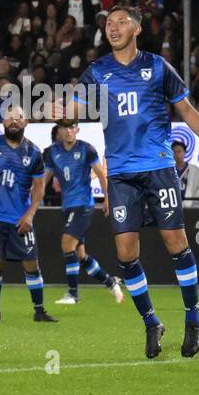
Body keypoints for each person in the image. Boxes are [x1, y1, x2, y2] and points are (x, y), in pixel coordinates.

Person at [71, 4, 199, 359]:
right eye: (108, 23)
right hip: (121, 173)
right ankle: (151, 321)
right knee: (125, 254)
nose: (113, 28)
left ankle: (194, 318)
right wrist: (56, 107)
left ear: (137, 29)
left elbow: (186, 110)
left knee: (176, 243)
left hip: (158, 167)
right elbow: (76, 108)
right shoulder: (97, 72)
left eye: (121, 22)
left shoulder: (157, 67)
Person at [0, 107, 56, 323]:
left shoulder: (33, 152)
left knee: (31, 263)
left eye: (19, 118)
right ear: (3, 122)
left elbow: (39, 187)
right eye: (9, 118)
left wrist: (30, 214)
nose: (14, 121)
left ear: (26, 122)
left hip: (20, 217)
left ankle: (39, 310)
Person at [42, 122, 125, 305]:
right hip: (68, 207)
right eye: (66, 128)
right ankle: (111, 283)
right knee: (80, 255)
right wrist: (33, 200)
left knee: (66, 244)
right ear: (60, 131)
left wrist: (108, 199)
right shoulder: (51, 153)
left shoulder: (87, 149)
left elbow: (101, 174)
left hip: (83, 206)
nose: (69, 131)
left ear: (77, 130)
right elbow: (43, 181)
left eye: (73, 127)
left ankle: (73, 294)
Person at [172, 139, 199, 206]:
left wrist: (191, 201)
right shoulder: (168, 171)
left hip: (193, 208)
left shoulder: (195, 170)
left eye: (179, 151)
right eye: (174, 152)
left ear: (185, 152)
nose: (176, 154)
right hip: (174, 208)